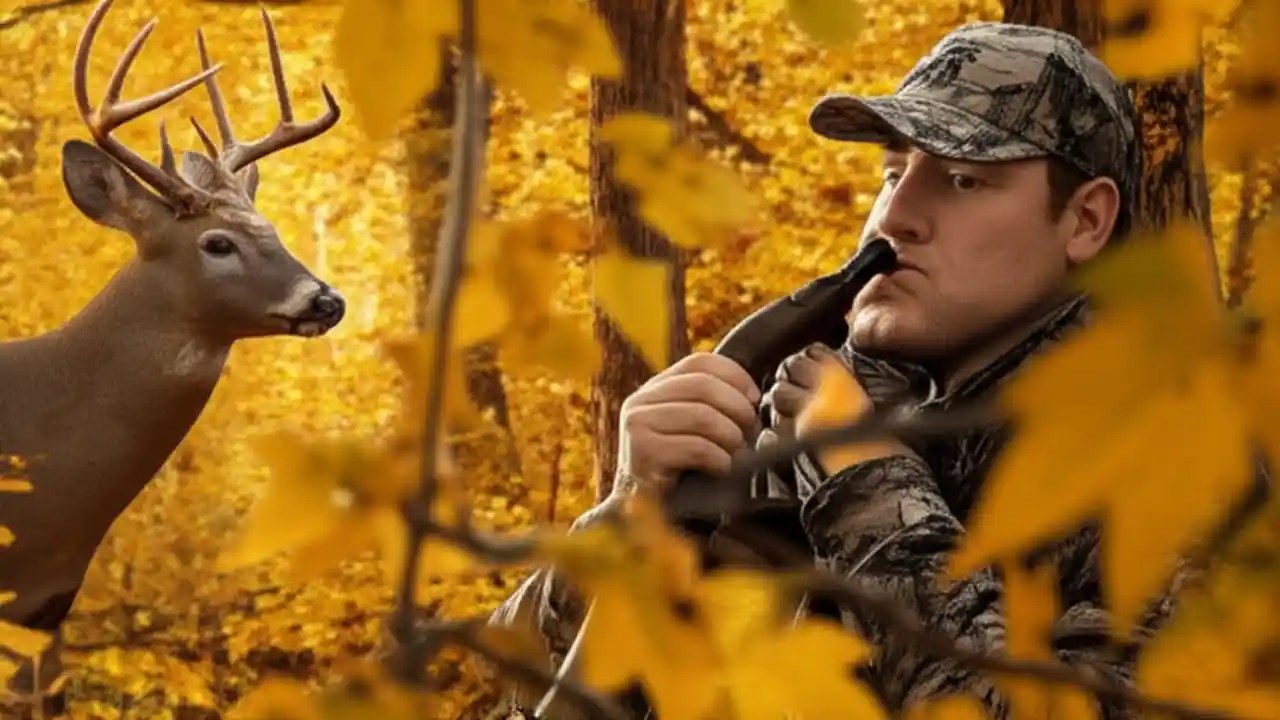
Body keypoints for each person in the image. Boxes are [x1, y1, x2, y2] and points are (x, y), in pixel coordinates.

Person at [489, 21, 1178, 719]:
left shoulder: (1173, 461)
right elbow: (508, 677)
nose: (895, 217)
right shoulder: (794, 420)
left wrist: (866, 487)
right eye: (890, 174)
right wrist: (632, 518)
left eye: (965, 179)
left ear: (1086, 221)